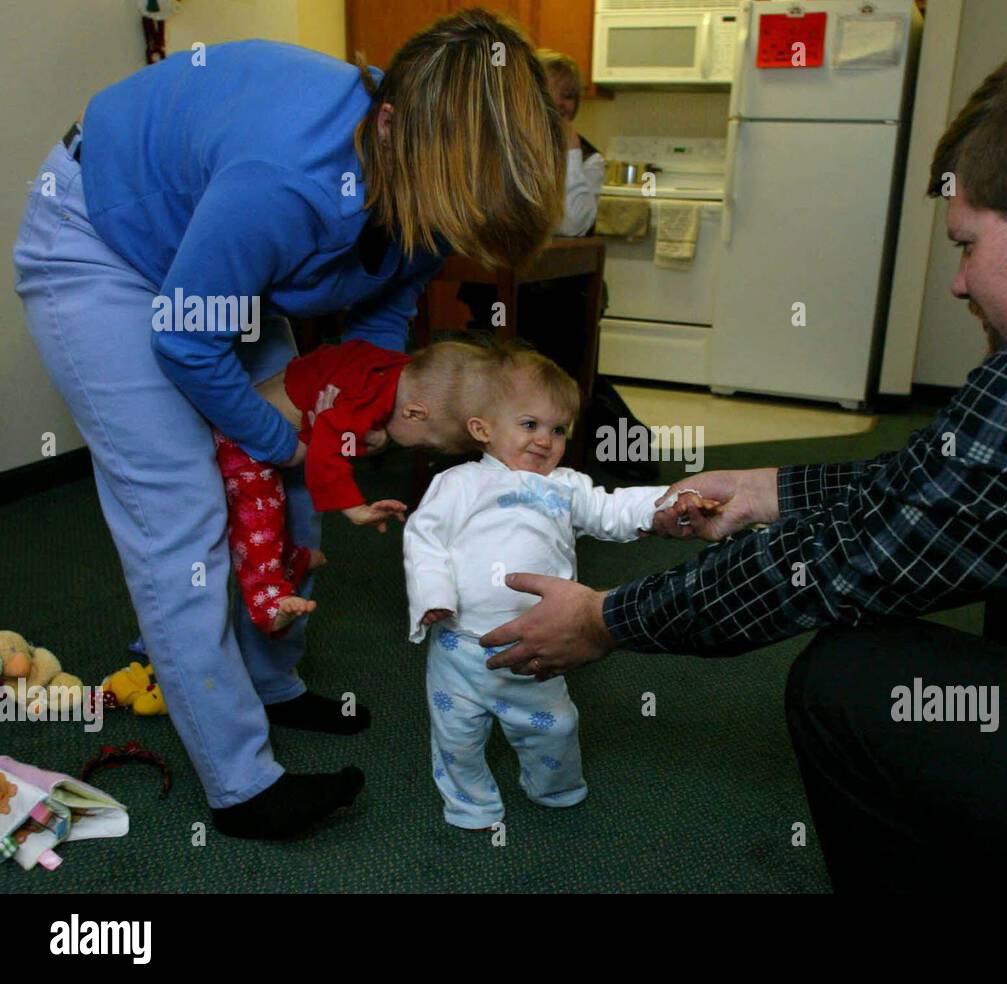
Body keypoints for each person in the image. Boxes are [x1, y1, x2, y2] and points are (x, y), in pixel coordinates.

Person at [476, 25, 1007, 891]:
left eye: (967, 243)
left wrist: (606, 618)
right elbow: (976, 486)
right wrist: (776, 487)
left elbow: (844, 564)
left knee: (855, 682)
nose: (959, 283)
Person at [12, 9, 566, 840]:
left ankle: (271, 679)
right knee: (181, 511)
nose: (445, 238)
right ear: (387, 127)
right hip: (103, 241)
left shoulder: (427, 169)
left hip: (217, 257)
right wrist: (287, 437)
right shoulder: (289, 179)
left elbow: (385, 303)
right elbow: (186, 341)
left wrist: (357, 408)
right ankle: (241, 788)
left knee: (301, 482)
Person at [404, 342, 712, 829]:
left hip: (538, 642)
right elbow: (424, 539)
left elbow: (613, 511)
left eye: (558, 429)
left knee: (555, 726)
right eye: (529, 425)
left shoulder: (566, 486)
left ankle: (553, 786)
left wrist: (665, 503)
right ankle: (469, 804)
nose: (545, 440)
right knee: (456, 735)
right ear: (483, 428)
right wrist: (434, 597)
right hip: (460, 643)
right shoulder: (459, 484)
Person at [458, 48, 658, 482]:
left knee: (554, 358)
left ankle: (580, 445)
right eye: (548, 94)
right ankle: (503, 444)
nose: (559, 104)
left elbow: (572, 221)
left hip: (567, 287)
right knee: (501, 348)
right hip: (503, 283)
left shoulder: (587, 157)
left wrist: (566, 148)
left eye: (568, 96)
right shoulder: (499, 149)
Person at [221, 335, 495, 636]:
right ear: (415, 413)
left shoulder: (394, 370)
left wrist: (367, 431)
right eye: (428, 445)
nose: (421, 450)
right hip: (239, 442)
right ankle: (267, 605)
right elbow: (325, 449)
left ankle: (290, 559)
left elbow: (339, 393)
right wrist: (355, 509)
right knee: (259, 517)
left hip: (268, 414)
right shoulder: (365, 406)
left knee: (284, 507)